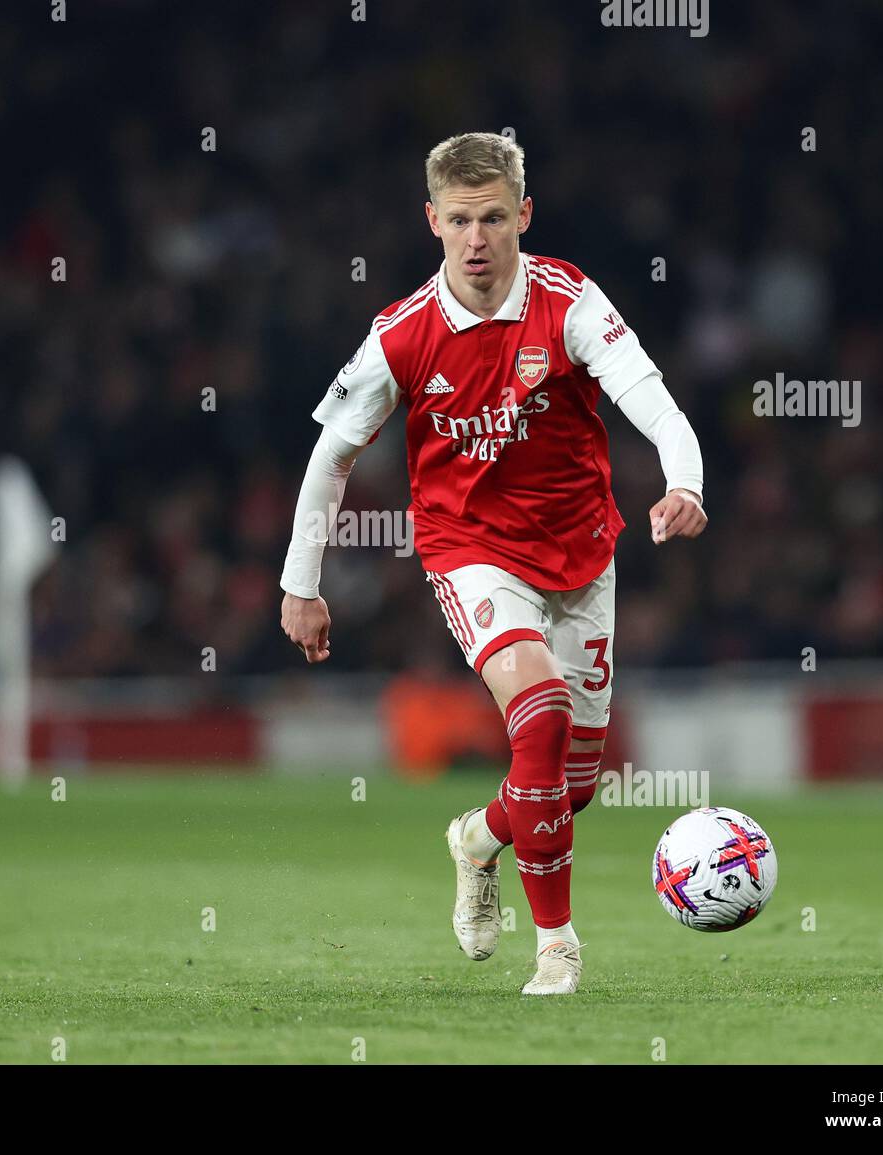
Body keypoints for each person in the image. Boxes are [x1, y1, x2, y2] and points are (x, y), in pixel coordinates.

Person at [279, 132, 707, 995]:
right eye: (462, 221)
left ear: (525, 216)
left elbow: (650, 398)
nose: (478, 239)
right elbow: (331, 457)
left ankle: (478, 835)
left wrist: (684, 481)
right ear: (433, 221)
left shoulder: (570, 301)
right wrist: (301, 581)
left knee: (570, 787)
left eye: (496, 219)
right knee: (539, 711)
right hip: (470, 549)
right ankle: (557, 947)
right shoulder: (401, 336)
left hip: (582, 554)